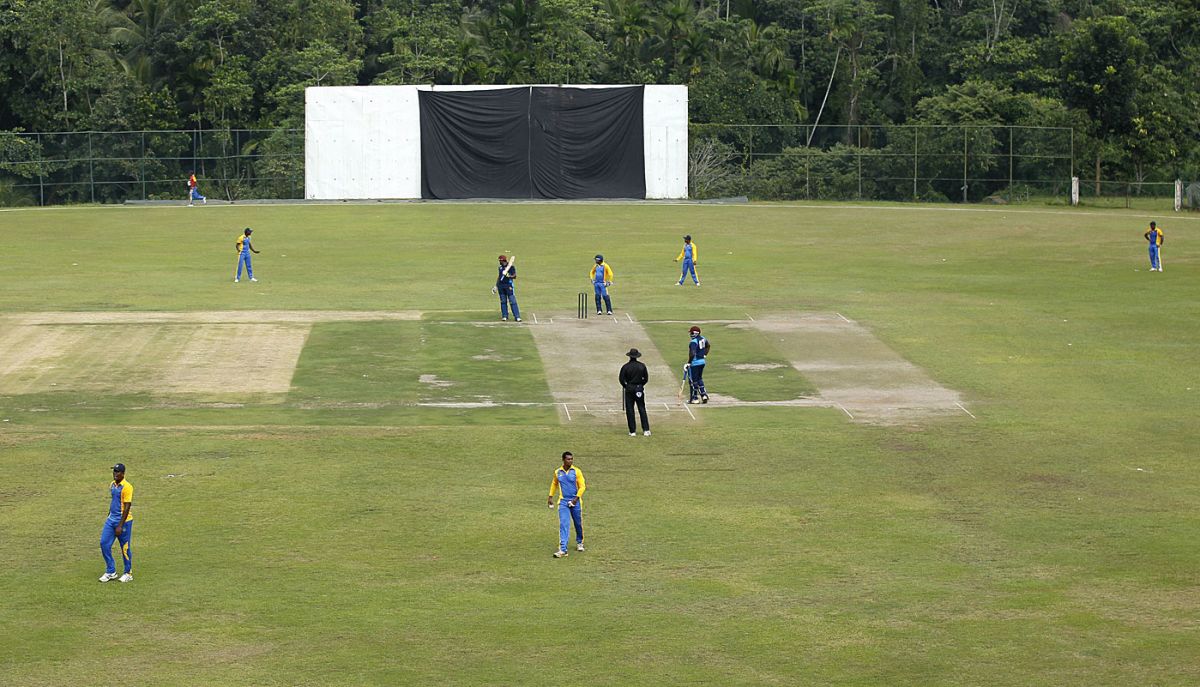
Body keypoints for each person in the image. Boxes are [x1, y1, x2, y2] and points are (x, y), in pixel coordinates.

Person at [99, 463, 134, 583]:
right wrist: (109, 515)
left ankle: (128, 573)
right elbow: (114, 501)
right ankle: (111, 571)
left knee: (125, 547)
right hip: (111, 520)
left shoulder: (127, 487)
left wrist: (120, 525)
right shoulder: (112, 485)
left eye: (117, 472)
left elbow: (127, 506)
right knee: (104, 543)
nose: (115, 473)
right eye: (114, 471)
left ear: (123, 474)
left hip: (124, 521)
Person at [547, 451, 585, 558]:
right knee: (564, 524)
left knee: (578, 523)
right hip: (563, 502)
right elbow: (554, 483)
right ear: (563, 460)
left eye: (571, 459)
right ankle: (563, 549)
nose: (570, 461)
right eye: (568, 459)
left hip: (576, 502)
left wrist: (575, 499)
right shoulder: (558, 472)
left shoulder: (576, 471)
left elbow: (582, 486)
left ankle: (580, 542)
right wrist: (550, 496)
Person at [619, 347, 650, 436]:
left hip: (629, 388)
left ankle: (632, 431)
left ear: (630, 356)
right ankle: (646, 430)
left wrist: (626, 386)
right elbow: (646, 378)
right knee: (642, 408)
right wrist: (640, 385)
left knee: (630, 409)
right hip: (638, 389)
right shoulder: (642, 366)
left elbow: (621, 379)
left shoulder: (625, 367)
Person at [686, 326, 710, 404]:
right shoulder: (703, 338)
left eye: (691, 333)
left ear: (695, 333)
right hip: (702, 362)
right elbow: (708, 346)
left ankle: (694, 398)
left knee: (693, 381)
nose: (690, 334)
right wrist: (704, 355)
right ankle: (704, 395)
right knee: (699, 378)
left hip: (695, 363)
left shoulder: (693, 342)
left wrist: (689, 363)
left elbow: (692, 353)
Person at [493, 255, 521, 322]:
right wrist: (496, 286)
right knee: (503, 301)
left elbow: (514, 276)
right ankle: (505, 316)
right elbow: (499, 277)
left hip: (509, 286)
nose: (499, 262)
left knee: (512, 301)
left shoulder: (511, 267)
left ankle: (517, 316)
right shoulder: (500, 268)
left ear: (503, 260)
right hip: (501, 286)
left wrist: (508, 275)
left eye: (500, 261)